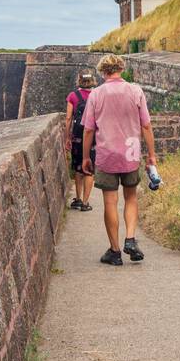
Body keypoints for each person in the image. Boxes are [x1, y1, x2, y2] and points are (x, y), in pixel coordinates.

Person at [81, 54, 158, 266]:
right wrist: (151, 155)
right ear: (121, 69)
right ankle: (131, 239)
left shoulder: (96, 94)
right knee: (131, 198)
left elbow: (88, 130)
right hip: (131, 152)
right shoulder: (135, 91)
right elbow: (146, 126)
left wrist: (86, 157)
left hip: (107, 154)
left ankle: (115, 252)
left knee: (110, 202)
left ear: (103, 72)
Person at [66, 71, 98, 212]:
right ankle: (85, 203)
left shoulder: (73, 96)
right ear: (92, 81)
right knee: (89, 171)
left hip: (78, 136)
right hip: (93, 138)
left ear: (79, 80)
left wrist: (67, 137)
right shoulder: (97, 95)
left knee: (78, 169)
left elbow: (68, 118)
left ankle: (78, 200)